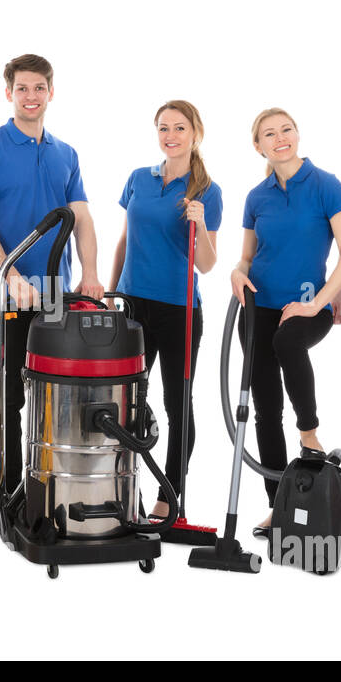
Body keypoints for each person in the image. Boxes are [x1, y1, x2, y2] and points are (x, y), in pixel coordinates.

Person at [0, 54, 104, 498]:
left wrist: (91, 273)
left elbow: (81, 217)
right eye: (21, 88)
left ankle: (47, 487)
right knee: (10, 398)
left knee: (57, 398)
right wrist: (10, 277)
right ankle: (6, 493)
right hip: (9, 298)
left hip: (58, 297)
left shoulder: (66, 153)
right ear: (9, 93)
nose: (30, 96)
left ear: (50, 92)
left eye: (38, 88)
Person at [232, 108, 341, 534]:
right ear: (259, 146)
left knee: (289, 342)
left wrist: (316, 303)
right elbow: (248, 257)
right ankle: (278, 508)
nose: (280, 138)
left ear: (297, 134)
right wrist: (237, 270)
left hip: (310, 307)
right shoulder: (257, 196)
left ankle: (309, 432)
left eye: (286, 129)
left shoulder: (326, 186)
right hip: (257, 308)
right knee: (267, 413)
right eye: (269, 134)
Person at [107, 100, 222, 521]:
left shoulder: (206, 189)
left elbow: (207, 264)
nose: (170, 135)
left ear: (195, 133)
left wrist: (201, 220)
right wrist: (110, 291)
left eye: (179, 127)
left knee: (177, 404)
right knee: (125, 404)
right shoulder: (139, 178)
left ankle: (169, 494)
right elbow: (124, 239)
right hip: (133, 304)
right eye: (163, 128)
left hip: (179, 310)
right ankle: (120, 490)